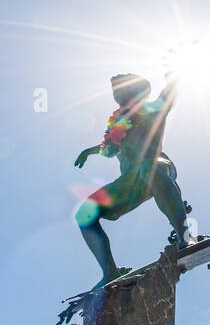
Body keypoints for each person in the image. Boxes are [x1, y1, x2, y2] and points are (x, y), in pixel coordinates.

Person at [71, 72, 193, 281]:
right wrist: (90, 151)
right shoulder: (117, 124)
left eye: (122, 89)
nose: (118, 94)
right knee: (85, 213)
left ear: (140, 90)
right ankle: (110, 272)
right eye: (115, 91)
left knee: (150, 169)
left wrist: (174, 73)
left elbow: (170, 93)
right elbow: (108, 148)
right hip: (130, 181)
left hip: (158, 166)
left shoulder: (153, 110)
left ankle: (185, 238)